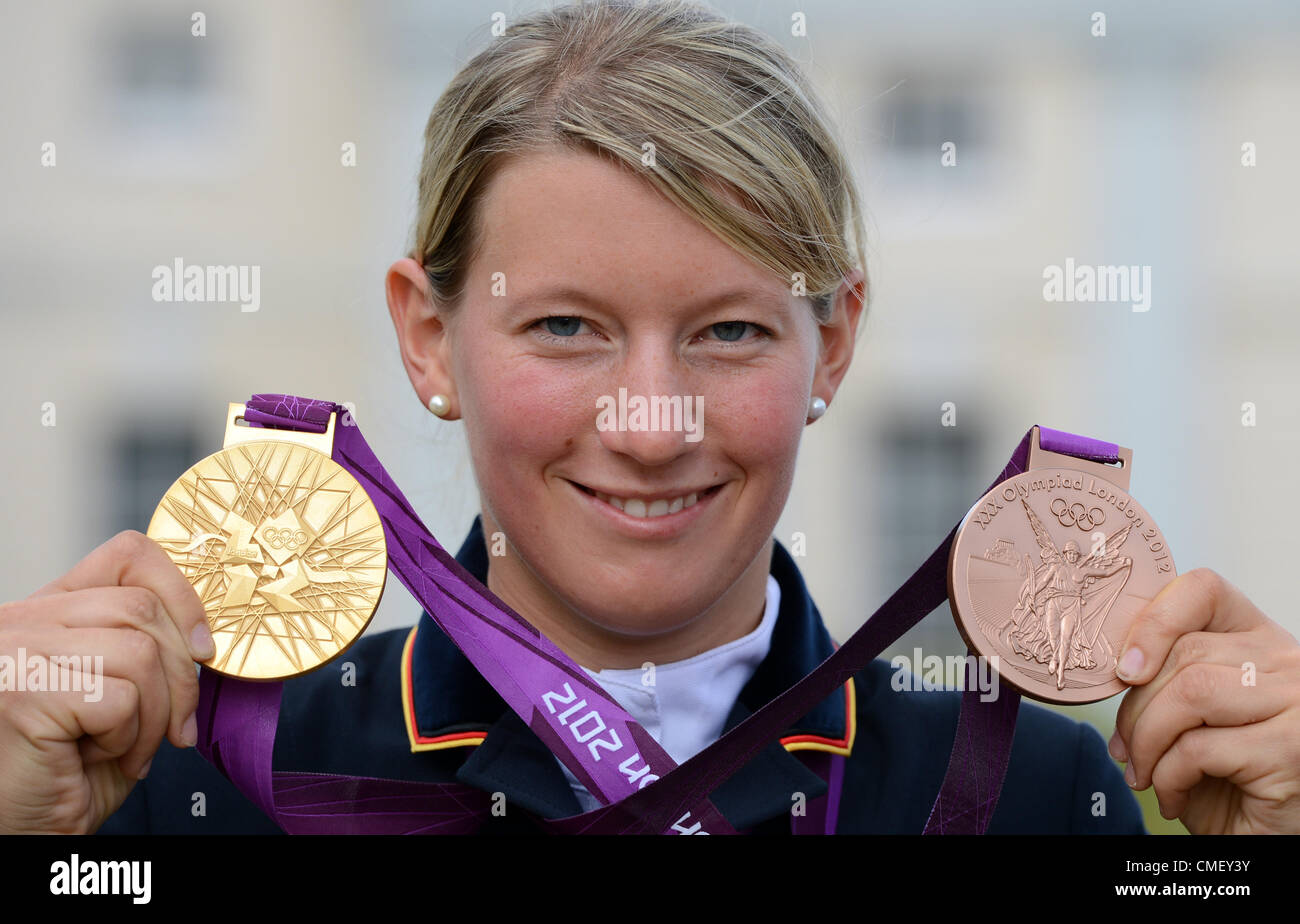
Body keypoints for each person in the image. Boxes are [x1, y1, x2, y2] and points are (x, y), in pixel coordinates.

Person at [3, 0, 1299, 835]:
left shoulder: (1028, 797)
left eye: (729, 331)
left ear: (830, 343)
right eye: (564, 328)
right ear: (425, 336)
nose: (649, 420)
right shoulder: (198, 787)